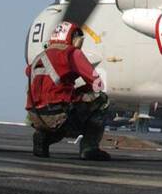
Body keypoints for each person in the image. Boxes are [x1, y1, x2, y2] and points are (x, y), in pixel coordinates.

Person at [25, 21, 110, 160]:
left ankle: (43, 137)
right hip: (58, 116)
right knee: (102, 99)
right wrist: (84, 91)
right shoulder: (72, 54)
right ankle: (89, 148)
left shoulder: (40, 56)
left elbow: (30, 74)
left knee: (58, 116)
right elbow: (97, 84)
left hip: (35, 117)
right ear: (74, 38)